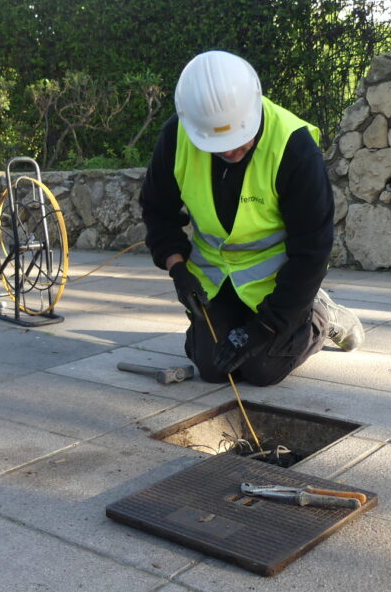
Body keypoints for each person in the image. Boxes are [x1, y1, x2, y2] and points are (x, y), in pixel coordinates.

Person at [139, 50, 364, 387]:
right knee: (214, 370)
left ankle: (319, 315)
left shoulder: (293, 147)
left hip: (279, 278)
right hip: (216, 276)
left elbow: (312, 252)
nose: (229, 151)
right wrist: (178, 270)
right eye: (216, 143)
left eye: (237, 139)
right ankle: (224, 328)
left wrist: (264, 328)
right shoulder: (177, 136)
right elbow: (157, 209)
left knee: (263, 370)